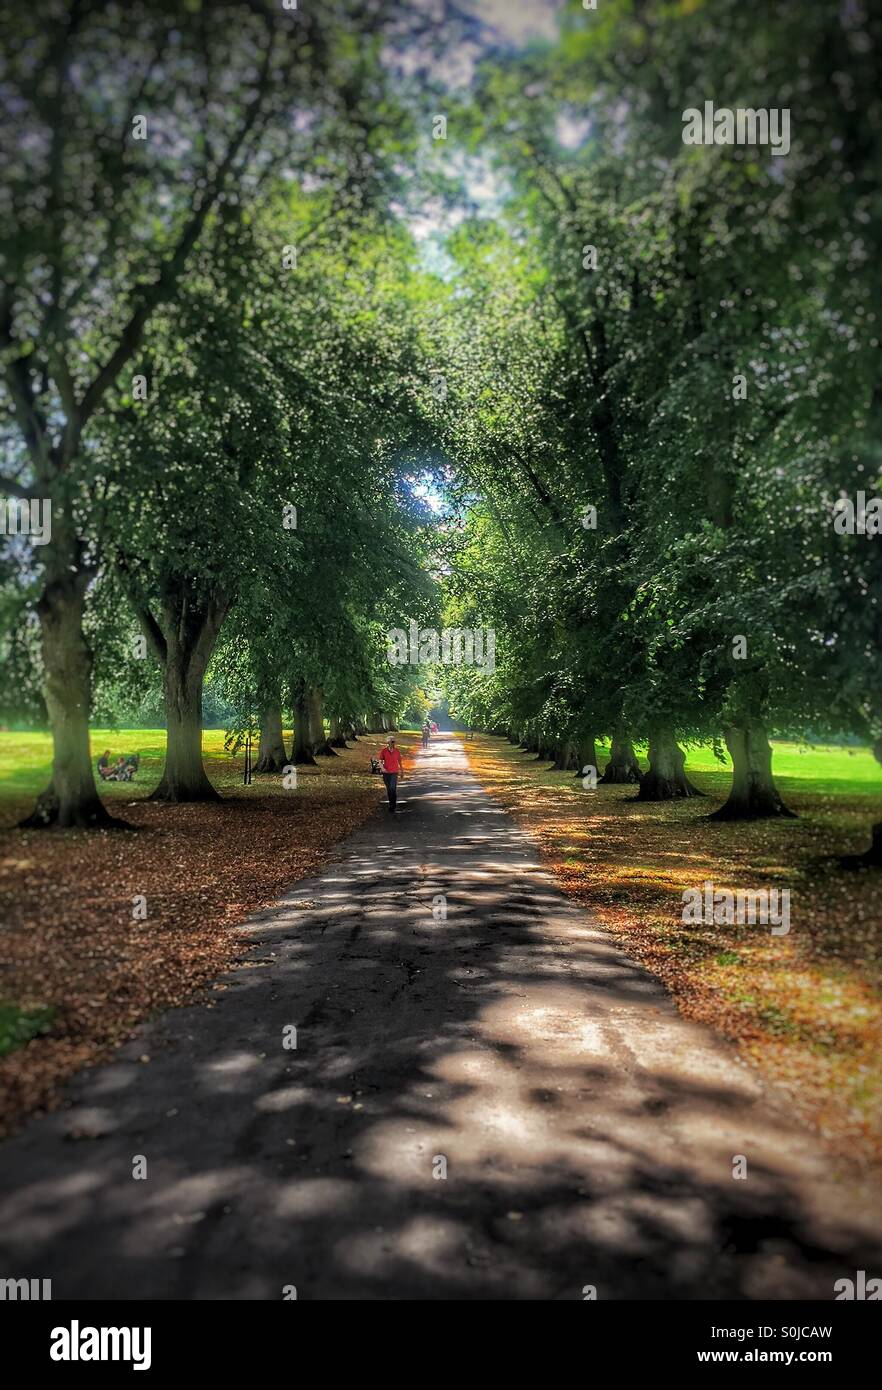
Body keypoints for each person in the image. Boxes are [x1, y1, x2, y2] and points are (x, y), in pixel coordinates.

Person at [378, 736, 404, 813]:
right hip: (386, 773)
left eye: (393, 742)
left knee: (393, 788)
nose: (392, 743)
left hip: (394, 772)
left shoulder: (397, 751)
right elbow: (380, 761)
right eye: (391, 742)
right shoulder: (384, 751)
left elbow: (399, 761)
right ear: (388, 742)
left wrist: (402, 771)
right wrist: (382, 768)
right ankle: (391, 803)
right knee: (389, 789)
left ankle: (393, 804)